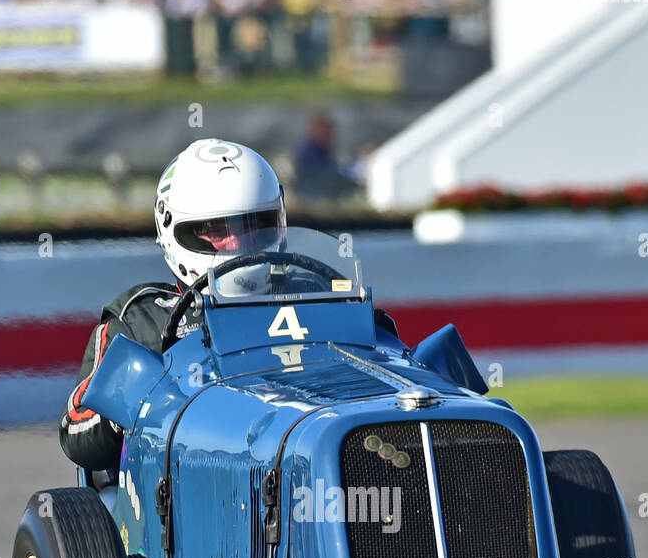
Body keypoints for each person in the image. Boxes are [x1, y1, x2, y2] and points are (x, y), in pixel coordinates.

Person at [59, 137, 398, 473]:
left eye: (253, 226)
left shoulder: (320, 294)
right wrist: (128, 394)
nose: (237, 243)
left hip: (313, 457)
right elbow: (77, 434)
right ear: (175, 231)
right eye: (215, 230)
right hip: (192, 476)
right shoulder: (141, 318)